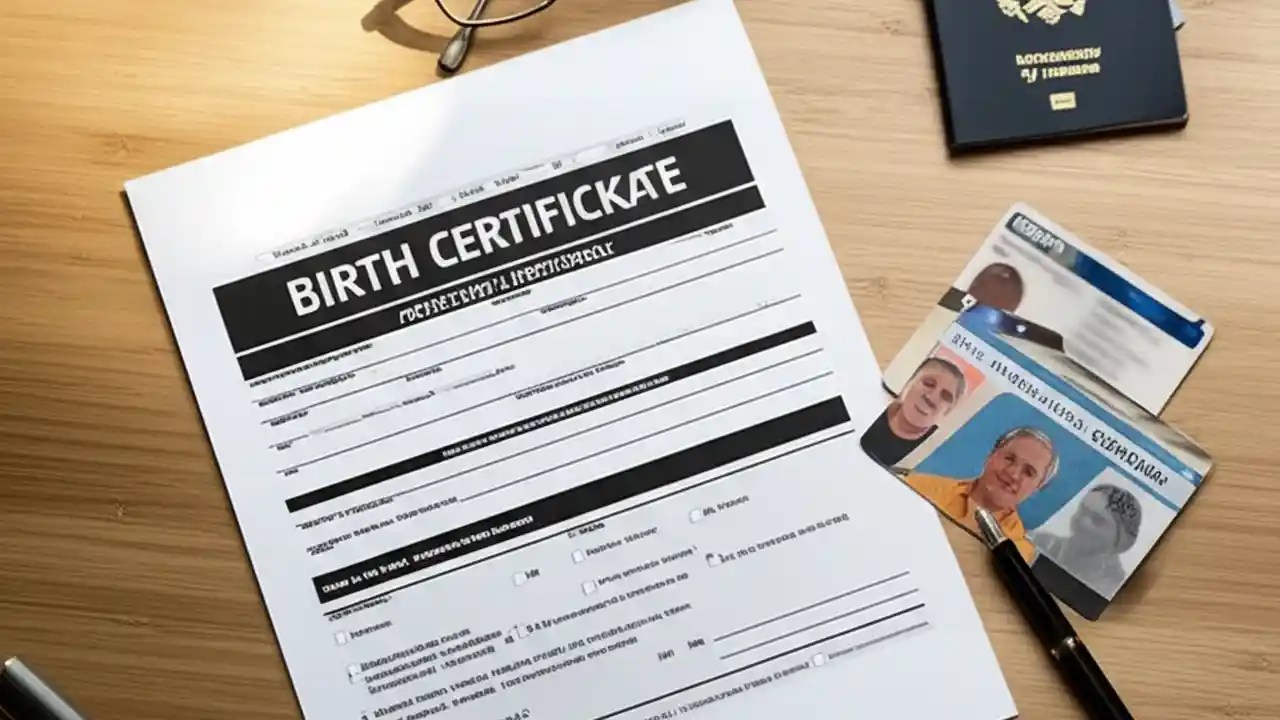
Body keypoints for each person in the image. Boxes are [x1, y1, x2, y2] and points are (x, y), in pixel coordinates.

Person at [904, 427, 1058, 561]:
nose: (1013, 473)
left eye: (1028, 472)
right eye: (1009, 459)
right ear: (991, 456)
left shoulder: (1020, 554)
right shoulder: (921, 487)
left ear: (1037, 488)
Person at [1031, 484, 1143, 598]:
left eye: (1098, 520)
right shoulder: (1040, 542)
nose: (1082, 522)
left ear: (1121, 540)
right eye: (1082, 510)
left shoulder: (1114, 589)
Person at [861, 357, 966, 467]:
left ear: (948, 411)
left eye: (945, 396)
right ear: (910, 382)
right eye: (928, 384)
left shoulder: (933, 454)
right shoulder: (872, 403)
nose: (931, 398)